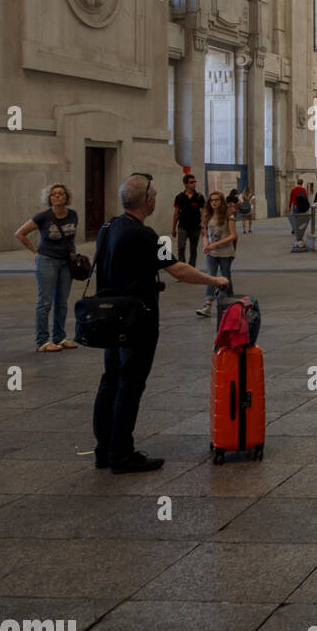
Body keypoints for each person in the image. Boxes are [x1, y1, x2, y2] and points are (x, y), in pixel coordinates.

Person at [92, 174, 229, 473]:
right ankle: (121, 454)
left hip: (109, 318)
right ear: (149, 201)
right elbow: (178, 270)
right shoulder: (145, 235)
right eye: (154, 196)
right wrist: (214, 279)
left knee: (110, 381)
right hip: (136, 320)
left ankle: (104, 451)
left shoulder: (108, 227)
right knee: (130, 385)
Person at [15, 183, 80, 353]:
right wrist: (35, 251)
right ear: (49, 198)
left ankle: (59, 337)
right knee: (44, 302)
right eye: (54, 194)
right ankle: (42, 341)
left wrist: (73, 254)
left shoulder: (73, 215)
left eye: (61, 194)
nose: (58, 196)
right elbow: (20, 233)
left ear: (66, 197)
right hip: (47, 261)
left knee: (62, 302)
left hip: (66, 263)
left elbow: (71, 238)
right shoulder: (43, 216)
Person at [196, 191, 238, 317]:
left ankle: (229, 303)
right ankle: (208, 305)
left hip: (225, 252)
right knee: (210, 276)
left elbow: (233, 235)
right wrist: (206, 245)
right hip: (212, 253)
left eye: (217, 200)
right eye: (212, 200)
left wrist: (216, 244)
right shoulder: (207, 216)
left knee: (225, 276)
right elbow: (205, 234)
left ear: (221, 202)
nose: (214, 202)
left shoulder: (228, 216)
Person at [172, 174, 205, 266]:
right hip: (182, 227)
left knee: (193, 249)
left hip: (195, 227)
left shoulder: (199, 197)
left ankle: (191, 269)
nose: (194, 184)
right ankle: (183, 269)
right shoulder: (179, 197)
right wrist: (173, 228)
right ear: (185, 184)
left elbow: (203, 212)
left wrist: (203, 225)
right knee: (181, 248)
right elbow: (176, 213)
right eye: (191, 182)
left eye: (195, 182)